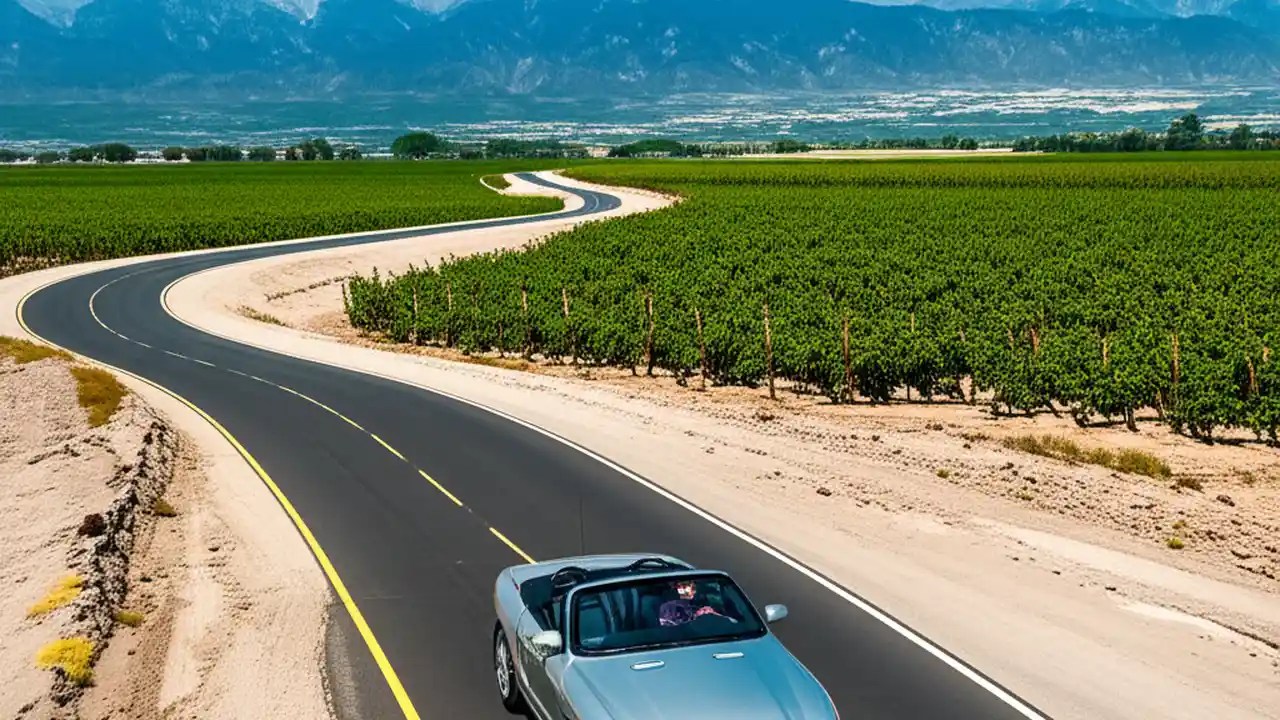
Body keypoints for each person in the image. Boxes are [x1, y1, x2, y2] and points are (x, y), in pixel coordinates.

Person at [658, 579, 735, 627]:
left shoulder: (710, 598)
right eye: (679, 586)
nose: (681, 588)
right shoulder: (668, 607)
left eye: (685, 585)